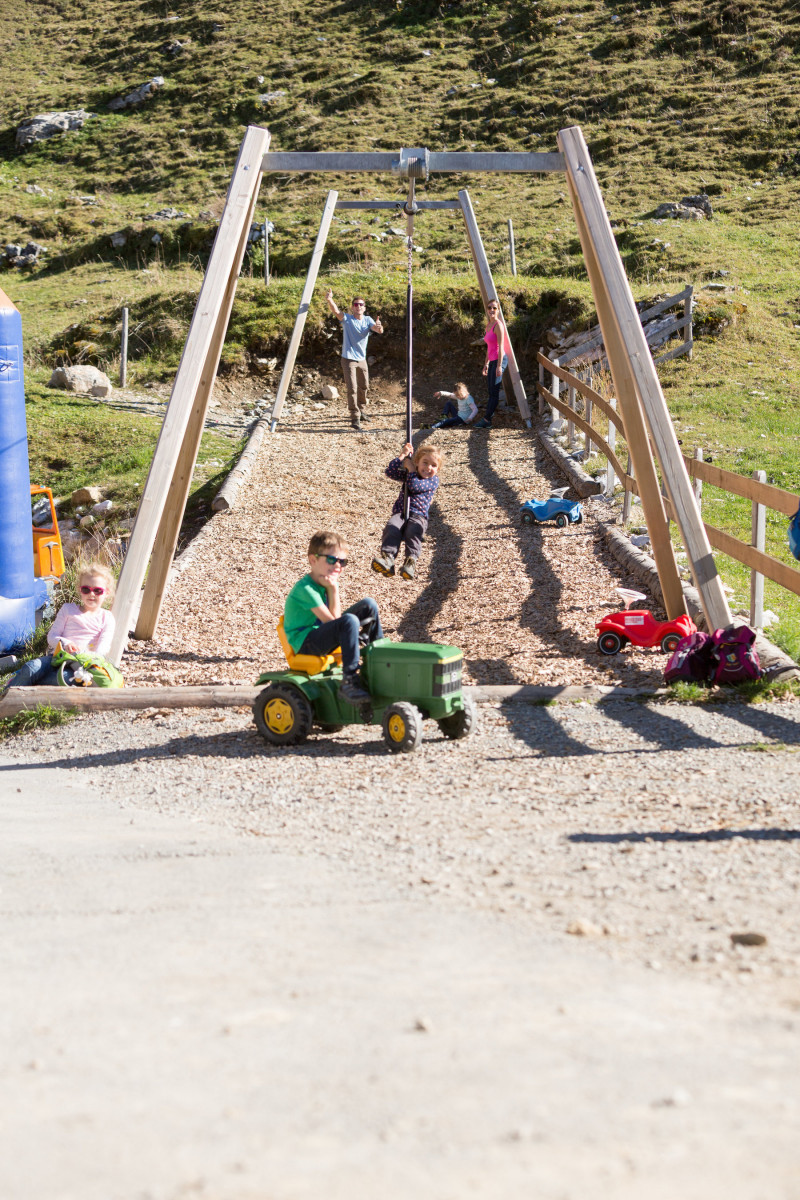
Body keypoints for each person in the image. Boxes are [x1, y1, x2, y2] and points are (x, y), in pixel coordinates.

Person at [283, 530, 383, 705]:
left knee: (369, 604)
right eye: (331, 559)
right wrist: (333, 589)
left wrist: (331, 588)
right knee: (349, 620)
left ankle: (380, 657)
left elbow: (335, 623)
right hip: (305, 643)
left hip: (320, 634)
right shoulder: (306, 589)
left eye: (342, 561)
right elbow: (334, 622)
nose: (338, 566)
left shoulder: (324, 582)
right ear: (313, 560)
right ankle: (349, 680)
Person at [4, 562, 116, 688]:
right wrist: (65, 643)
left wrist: (84, 656)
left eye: (97, 591)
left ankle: (28, 682)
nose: (91, 594)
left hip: (82, 665)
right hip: (57, 658)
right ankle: (6, 697)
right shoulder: (68, 609)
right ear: (80, 590)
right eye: (86, 589)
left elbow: (102, 649)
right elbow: (52, 636)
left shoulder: (107, 617)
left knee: (65, 678)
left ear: (106, 593)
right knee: (31, 667)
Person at [372, 442, 442, 582]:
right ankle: (388, 558)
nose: (428, 468)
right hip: (401, 512)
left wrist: (410, 470)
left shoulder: (433, 481)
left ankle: (410, 561)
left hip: (419, 516)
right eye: (425, 463)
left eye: (433, 465)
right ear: (417, 462)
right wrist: (403, 456)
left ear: (438, 469)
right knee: (392, 527)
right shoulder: (410, 473)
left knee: (413, 532)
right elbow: (390, 472)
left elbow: (415, 486)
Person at [325, 289, 384, 430]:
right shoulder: (347, 319)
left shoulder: (368, 320)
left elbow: (378, 330)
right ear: (352, 307)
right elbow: (336, 311)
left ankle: (361, 410)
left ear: (364, 307)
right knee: (352, 388)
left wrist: (379, 327)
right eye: (356, 304)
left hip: (362, 359)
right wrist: (329, 300)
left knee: (364, 386)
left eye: (361, 304)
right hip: (348, 359)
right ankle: (355, 417)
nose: (358, 306)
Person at [477, 297, 510, 428]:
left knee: (494, 392)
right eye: (489, 307)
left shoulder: (498, 326)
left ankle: (486, 420)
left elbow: (500, 347)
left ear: (498, 310)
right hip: (492, 360)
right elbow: (489, 348)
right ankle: (488, 417)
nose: (491, 310)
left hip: (499, 359)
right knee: (491, 391)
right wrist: (486, 363)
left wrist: (499, 366)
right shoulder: (488, 325)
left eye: (494, 308)